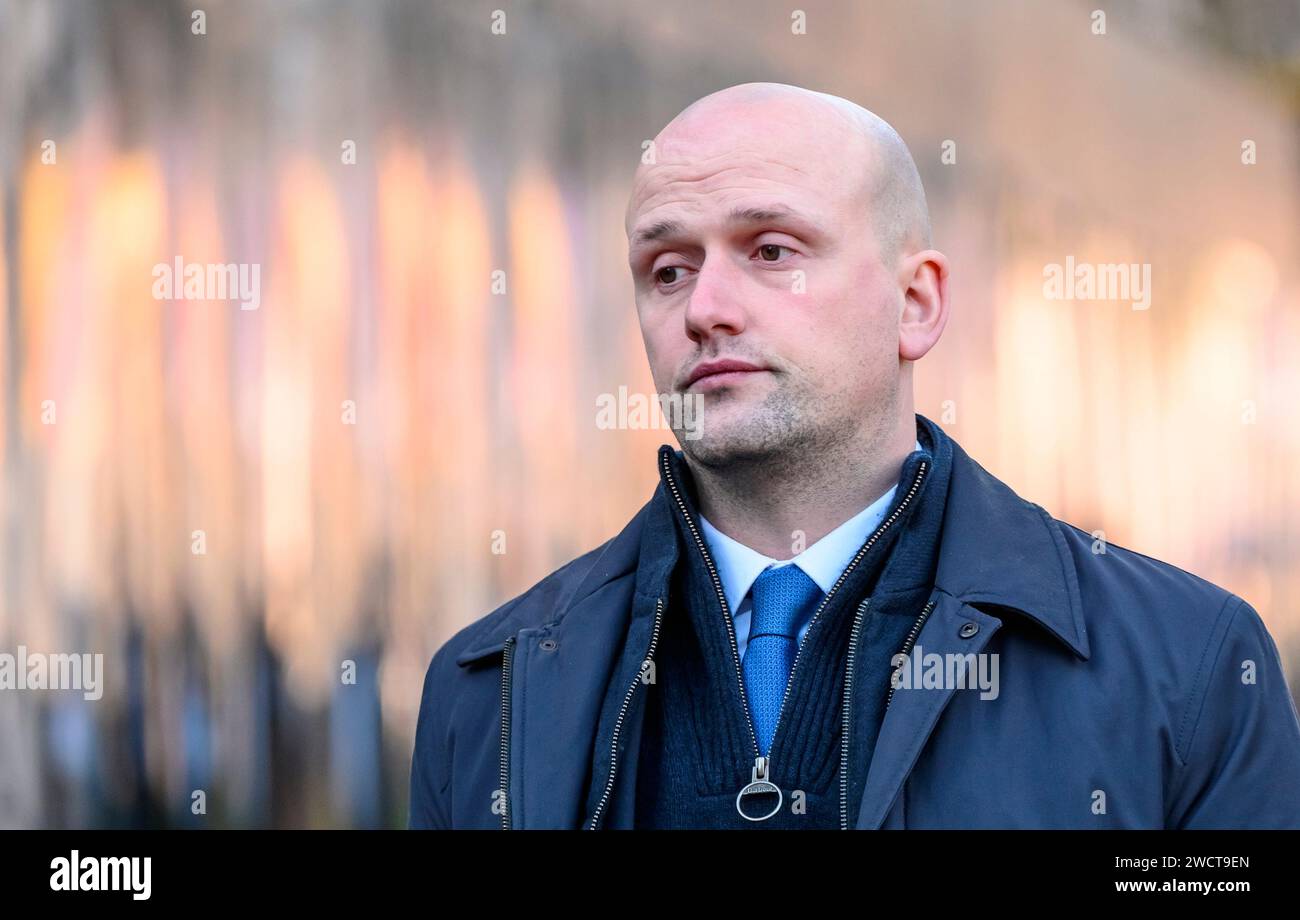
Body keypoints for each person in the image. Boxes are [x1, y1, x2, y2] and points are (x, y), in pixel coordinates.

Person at [409, 82, 1300, 829]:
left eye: (771, 251)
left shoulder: (1187, 667)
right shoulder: (490, 691)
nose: (705, 307)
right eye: (669, 268)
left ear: (916, 304)